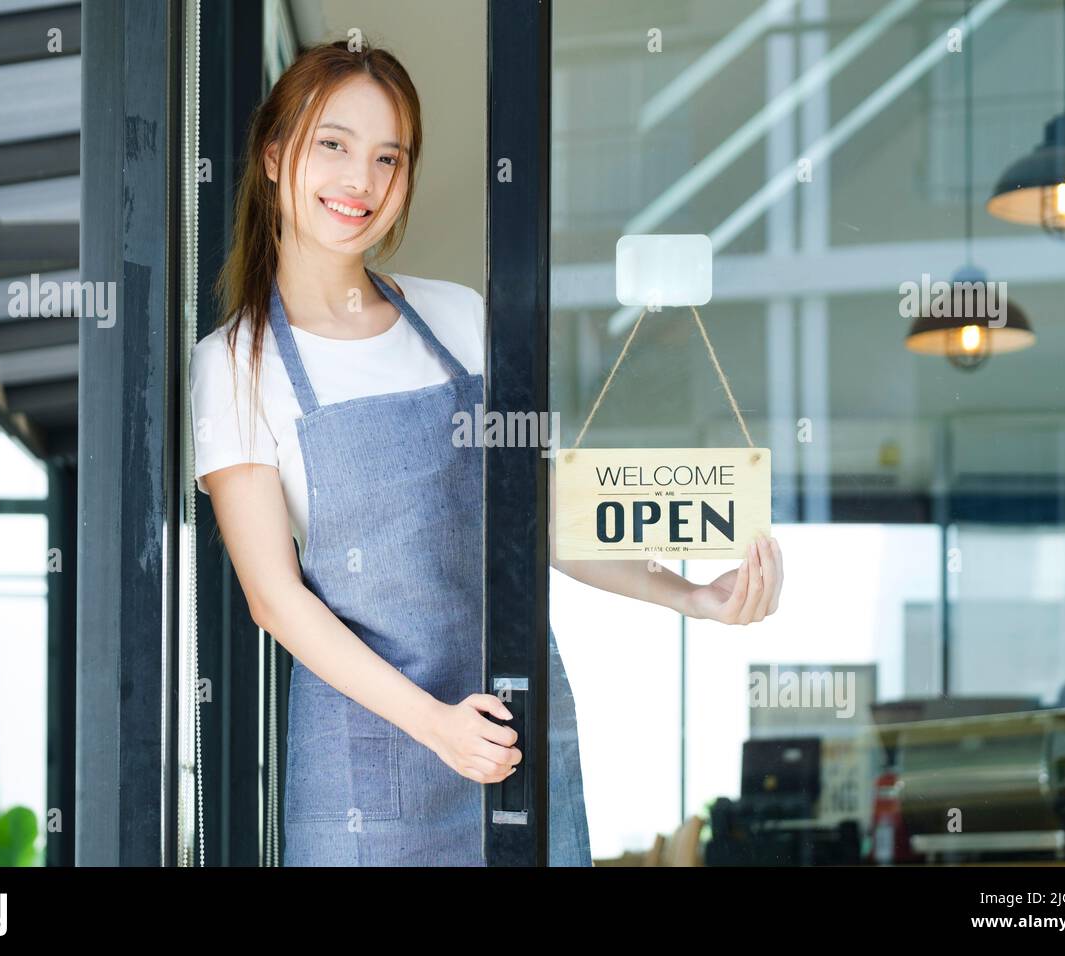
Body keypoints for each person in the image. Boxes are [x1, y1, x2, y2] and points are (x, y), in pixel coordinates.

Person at [189, 39, 785, 867]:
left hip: (507, 737)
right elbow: (276, 601)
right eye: (334, 145)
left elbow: (538, 523)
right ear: (275, 154)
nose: (360, 180)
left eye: (387, 157)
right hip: (370, 770)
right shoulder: (235, 363)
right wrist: (436, 726)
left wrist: (693, 593)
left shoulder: (460, 321)